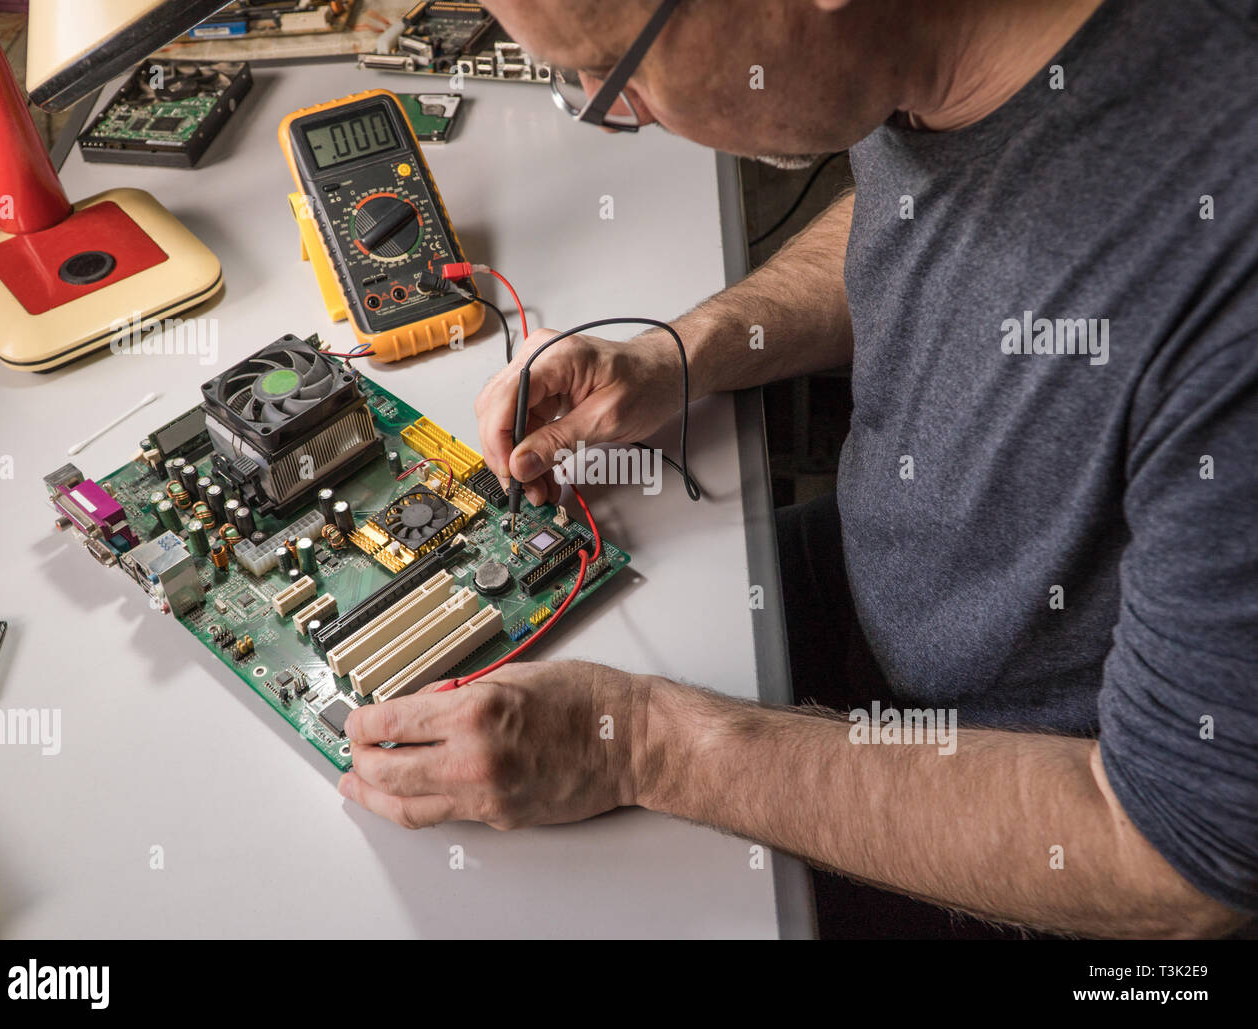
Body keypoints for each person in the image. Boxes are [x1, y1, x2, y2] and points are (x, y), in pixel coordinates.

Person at [338, 0, 1258, 938]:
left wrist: (646, 748)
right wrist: (687, 350)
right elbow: (946, 208)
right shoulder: (916, 55)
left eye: (617, 72)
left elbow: (1174, 859)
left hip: (1044, 816)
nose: (627, 113)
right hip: (886, 593)